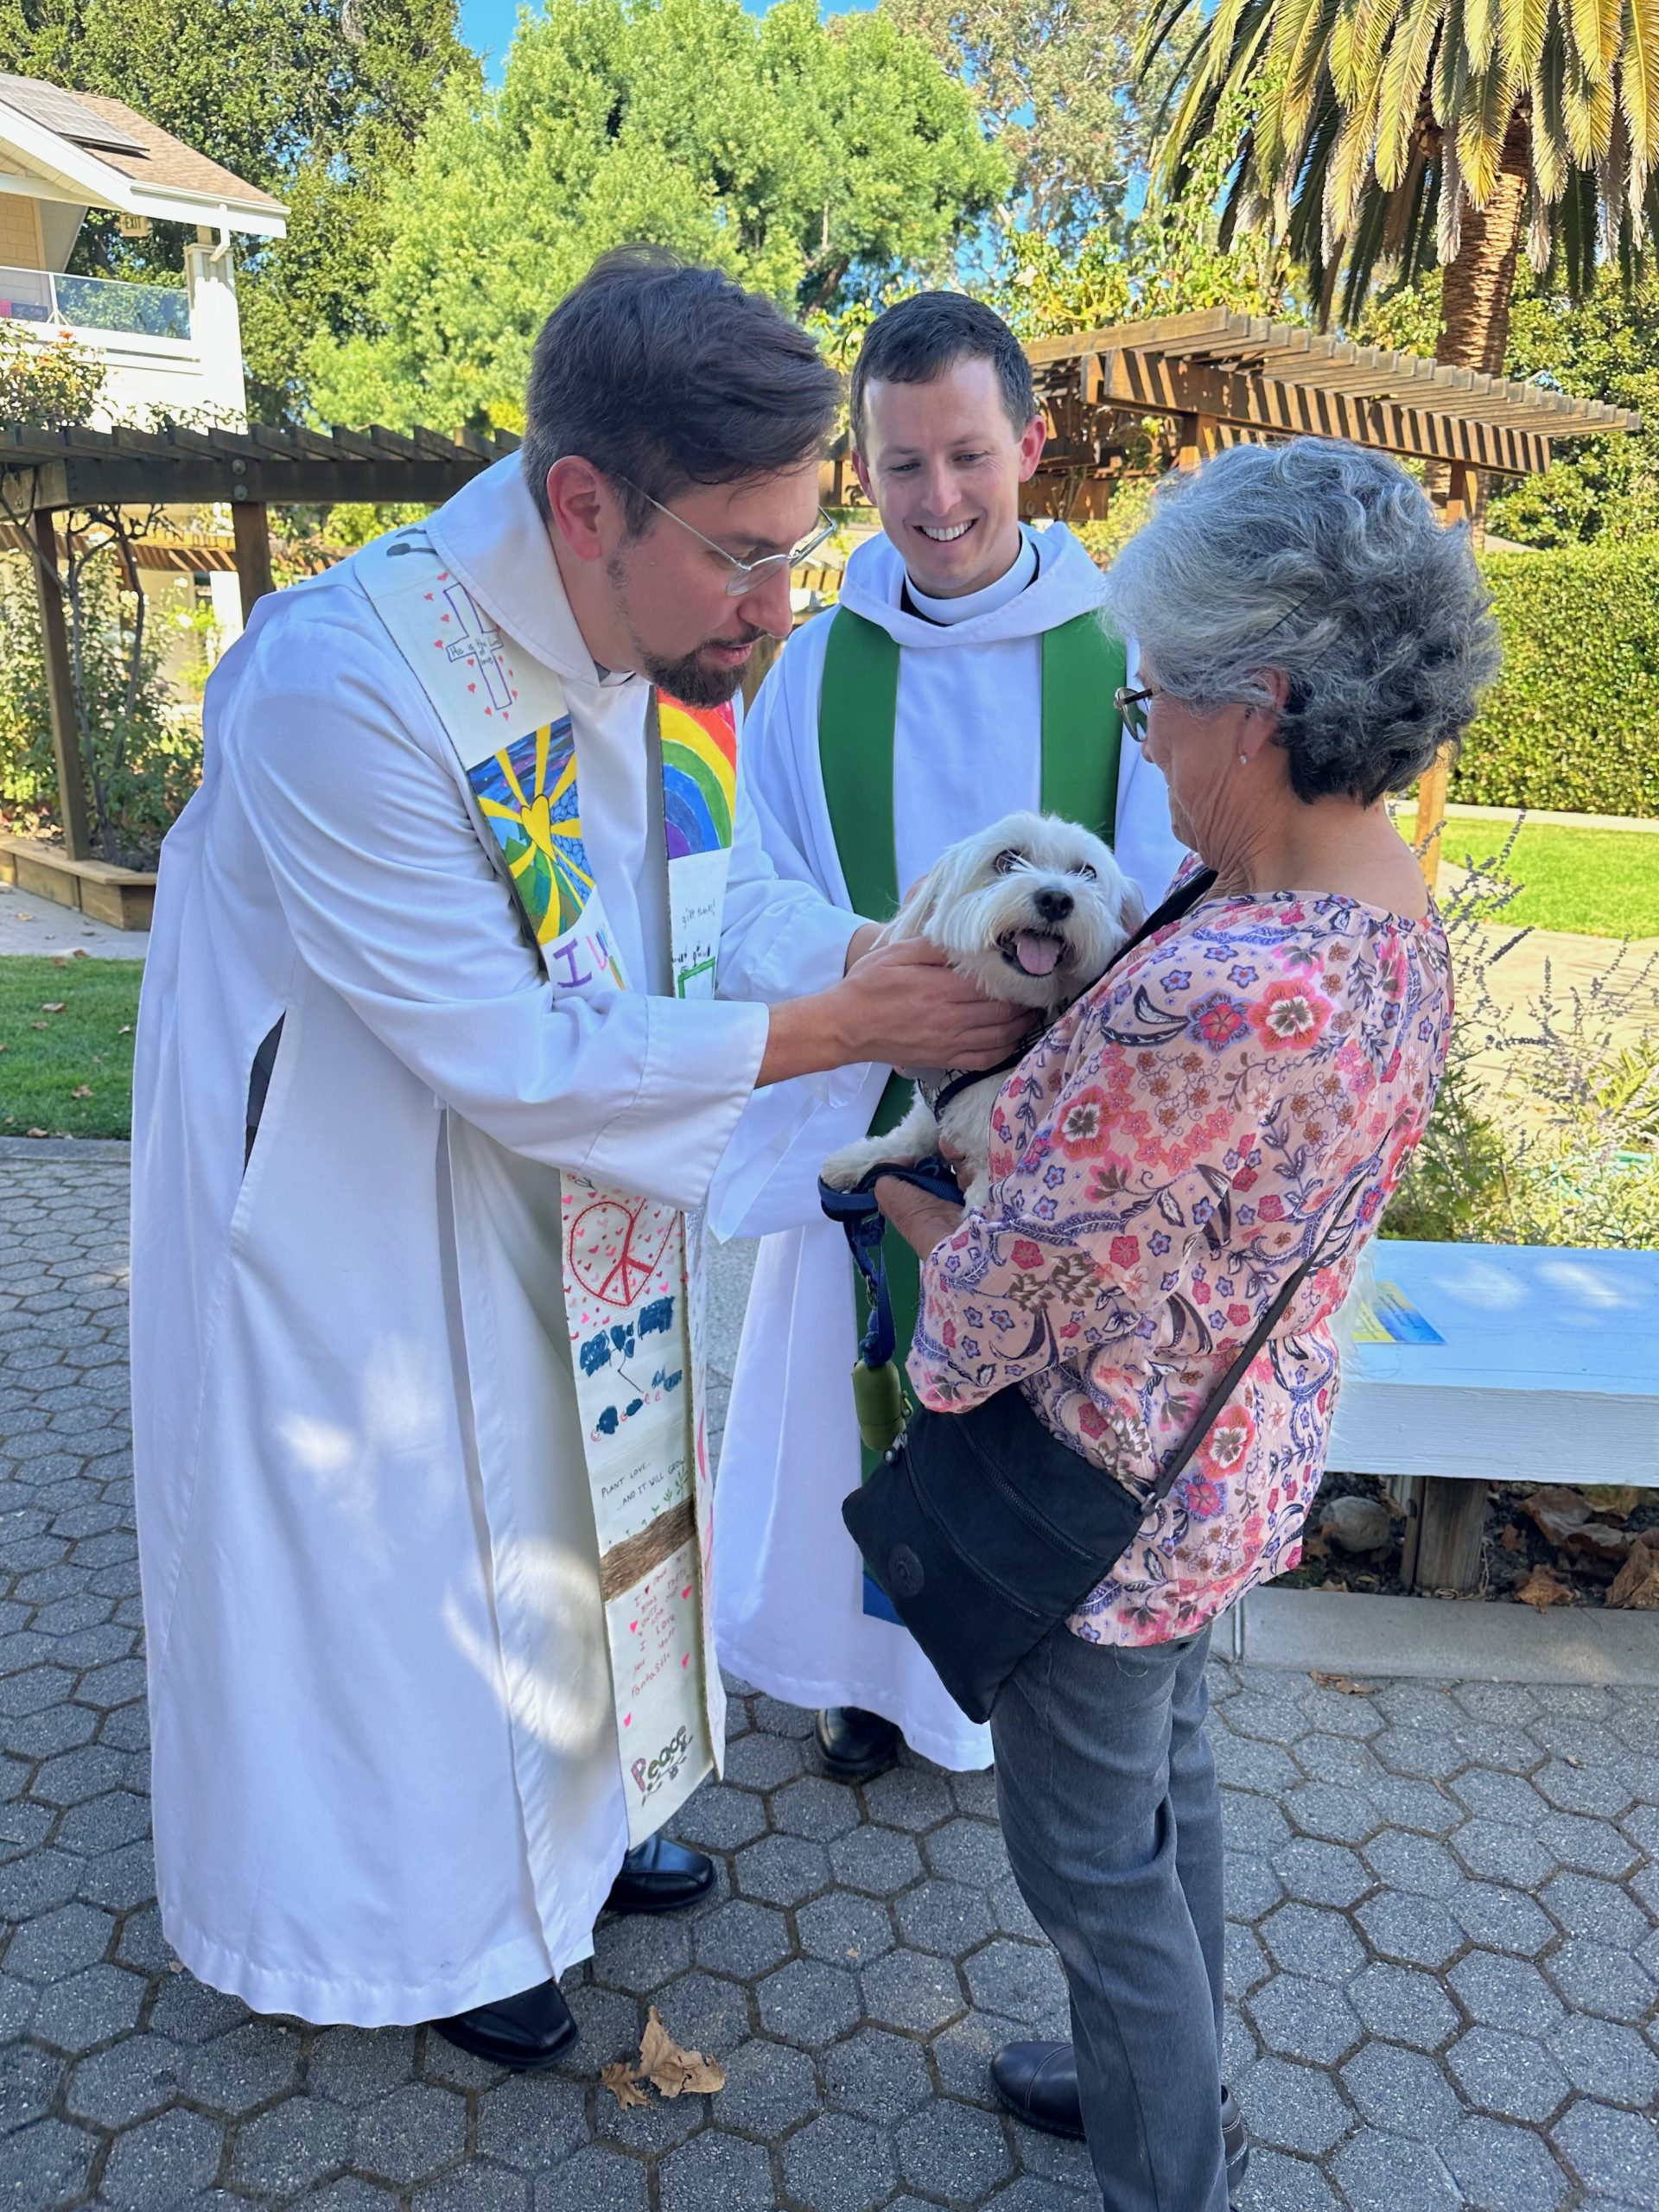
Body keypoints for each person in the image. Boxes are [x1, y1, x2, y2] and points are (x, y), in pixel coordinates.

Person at [129, 249, 1030, 2061]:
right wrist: (857, 1037)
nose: (781, 606)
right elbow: (507, 1050)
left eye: (798, 548)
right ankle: (433, 1933)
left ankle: (580, 1835)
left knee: (584, 1511)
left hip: (576, 1193)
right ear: (581, 500)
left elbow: (713, 891)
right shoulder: (346, 684)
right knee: (414, 1563)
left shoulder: (653, 633)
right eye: (748, 552)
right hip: (362, 1228)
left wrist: (853, 953)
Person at [868, 439, 1494, 2209]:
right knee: (1177, 1798)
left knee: (1094, 1867)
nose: (1146, 745)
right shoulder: (1379, 912)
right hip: (1231, 1467)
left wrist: (906, 1211)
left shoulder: (1223, 980)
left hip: (1091, 1510)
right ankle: (1164, 2082)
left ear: (1262, 698)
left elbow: (988, 1307)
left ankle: (1175, 2170)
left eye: (1153, 710)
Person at [712, 293, 1185, 1783]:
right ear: (862, 468)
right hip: (866, 1103)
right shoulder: (814, 670)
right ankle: (869, 1678)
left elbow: (1173, 890)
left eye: (968, 455)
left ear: (1030, 446)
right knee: (849, 1401)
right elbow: (744, 890)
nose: (938, 500)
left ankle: (1011, 1690)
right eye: (901, 465)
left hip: (1057, 1140)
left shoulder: (1122, 658)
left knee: (1022, 1411)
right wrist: (864, 965)